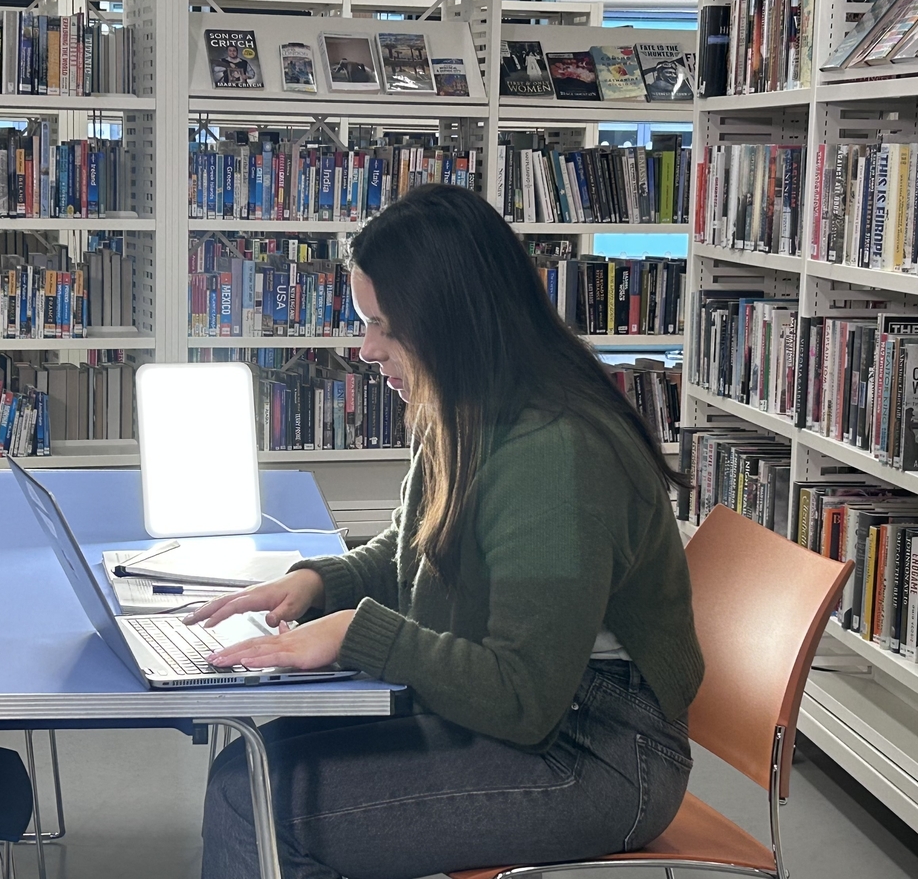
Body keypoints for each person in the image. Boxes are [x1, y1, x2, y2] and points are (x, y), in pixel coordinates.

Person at [185, 183, 704, 879]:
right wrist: (314, 584)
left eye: (385, 327)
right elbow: (409, 549)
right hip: (550, 712)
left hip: (600, 750)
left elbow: (523, 698)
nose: (365, 349)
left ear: (450, 323)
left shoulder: (557, 456)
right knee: (250, 763)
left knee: (254, 798)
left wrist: (350, 631)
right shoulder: (462, 403)